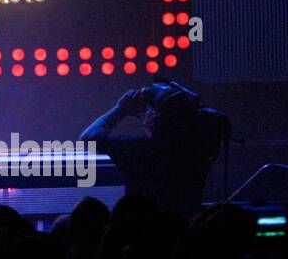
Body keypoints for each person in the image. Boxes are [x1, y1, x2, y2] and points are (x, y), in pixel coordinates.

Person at [80, 79, 230, 214]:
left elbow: (89, 138)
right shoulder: (198, 150)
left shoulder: (143, 150)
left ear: (157, 120)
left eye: (151, 110)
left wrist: (121, 109)